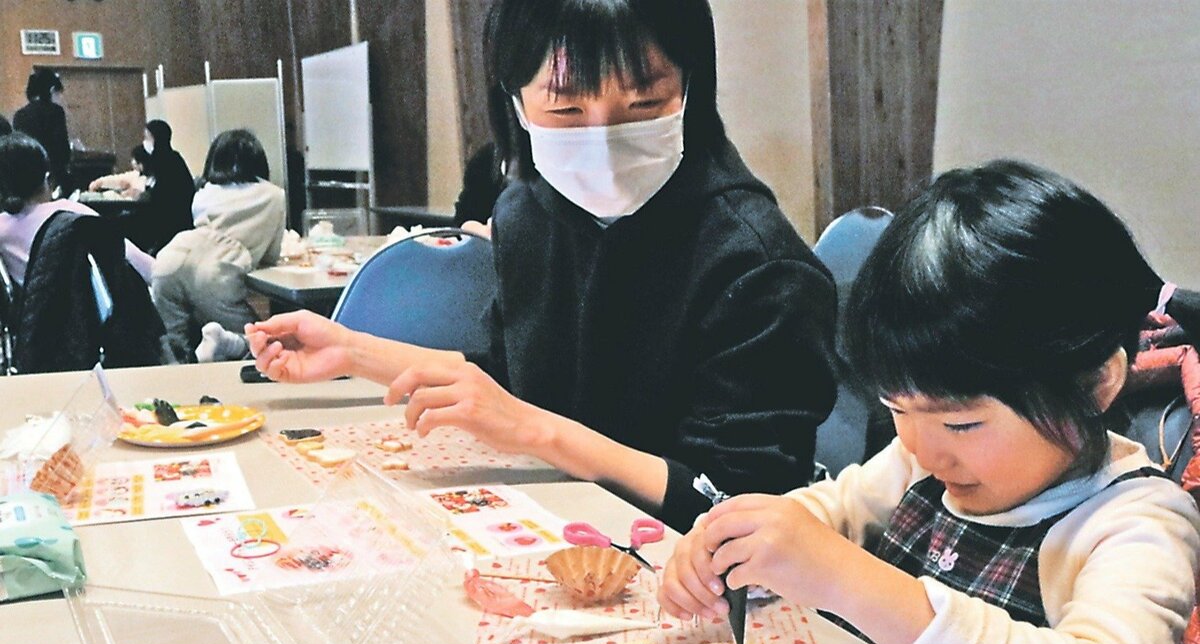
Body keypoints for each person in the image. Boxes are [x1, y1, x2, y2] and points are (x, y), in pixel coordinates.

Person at [658, 159, 1200, 644]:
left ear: (1095, 384)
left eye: (963, 424)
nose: (919, 446)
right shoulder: (922, 457)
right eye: (896, 411)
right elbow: (833, 510)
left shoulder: (1137, 522)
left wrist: (848, 578)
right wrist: (750, 541)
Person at [247, 0, 836, 532]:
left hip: (695, 579)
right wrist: (353, 352)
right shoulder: (529, 213)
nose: (605, 141)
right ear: (516, 103)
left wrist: (534, 430)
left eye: (645, 104)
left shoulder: (758, 265)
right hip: (560, 533)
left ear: (692, 85)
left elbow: (741, 503)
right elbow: (516, 374)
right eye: (568, 109)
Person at [152, 129, 285, 363]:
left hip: (171, 257)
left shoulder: (204, 192)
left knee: (175, 352)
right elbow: (271, 256)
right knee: (260, 343)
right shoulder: (274, 196)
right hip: (216, 271)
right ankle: (221, 341)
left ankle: (184, 389)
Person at [0, 132, 152, 286]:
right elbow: (144, 266)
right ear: (48, 179)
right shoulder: (72, 212)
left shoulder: (2, 228)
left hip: (32, 309)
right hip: (87, 306)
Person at [140, 119, 195, 252]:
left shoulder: (164, 161)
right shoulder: (171, 157)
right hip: (172, 217)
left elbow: (161, 195)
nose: (145, 142)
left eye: (147, 137)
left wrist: (143, 195)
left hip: (171, 221)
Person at [12, 69, 70, 191]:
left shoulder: (19, 114)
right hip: (52, 172)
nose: (59, 98)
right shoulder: (55, 111)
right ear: (52, 90)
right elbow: (61, 147)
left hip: (26, 173)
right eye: (58, 94)